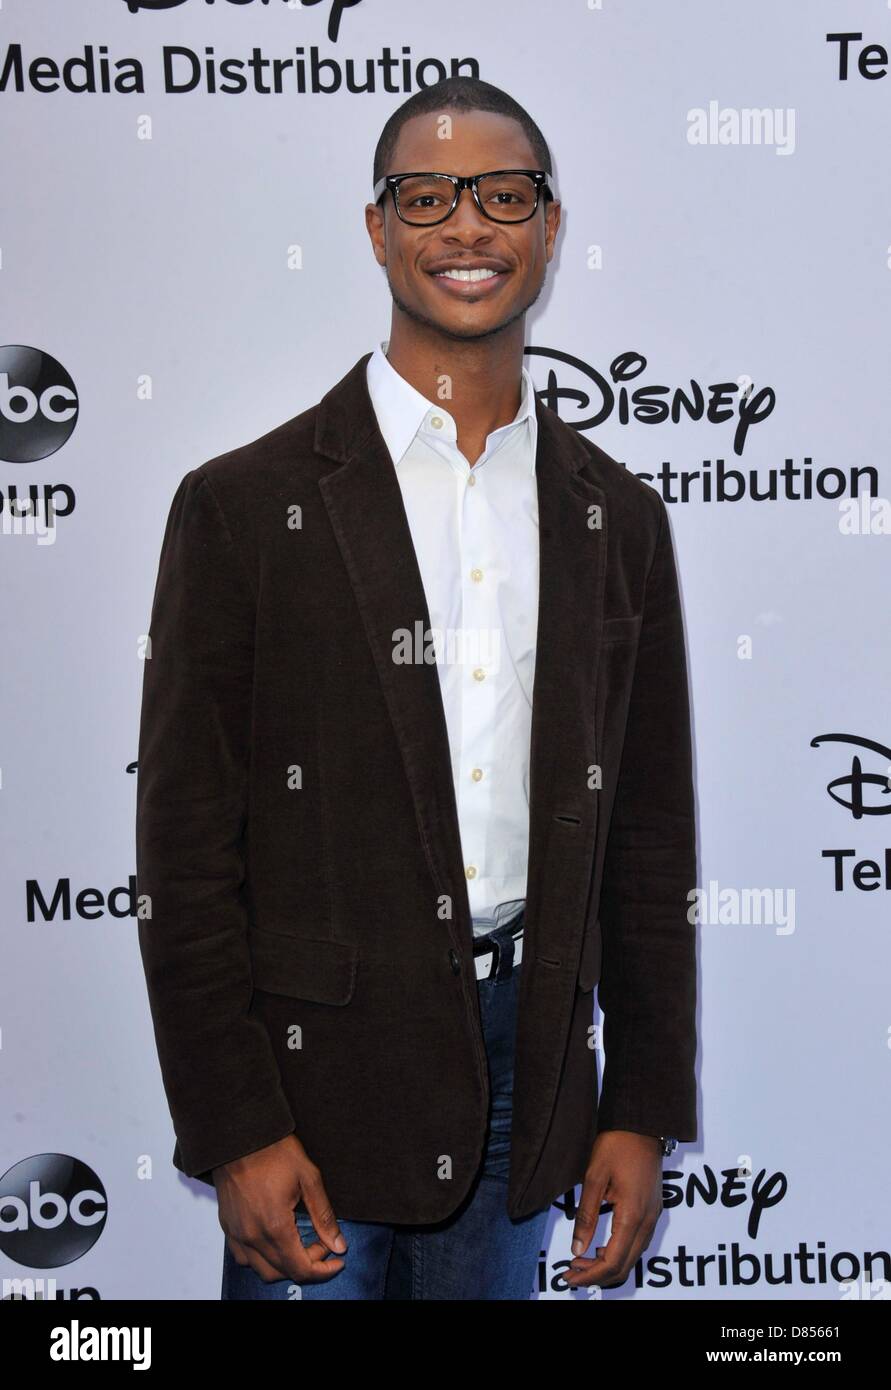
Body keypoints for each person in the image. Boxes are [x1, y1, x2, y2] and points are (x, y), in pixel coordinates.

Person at [135, 75, 698, 1301]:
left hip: (530, 1076)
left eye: (505, 195)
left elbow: (650, 839)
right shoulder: (245, 506)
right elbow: (184, 854)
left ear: (551, 227)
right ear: (378, 227)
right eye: (429, 196)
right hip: (309, 1087)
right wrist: (236, 1125)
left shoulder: (617, 516)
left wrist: (640, 1105)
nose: (468, 225)